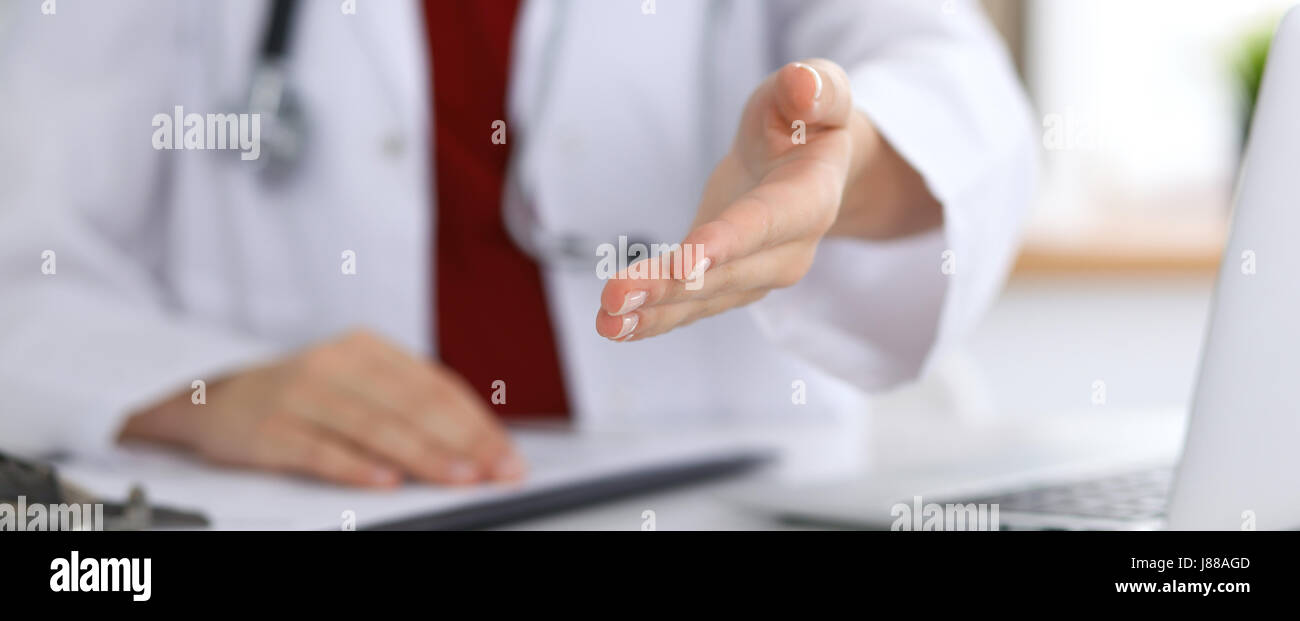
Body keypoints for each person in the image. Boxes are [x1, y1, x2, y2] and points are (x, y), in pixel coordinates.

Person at [0, 0, 1035, 487]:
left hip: (738, 493)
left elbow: (948, 86)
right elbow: (26, 262)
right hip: (335, 508)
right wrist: (202, 389)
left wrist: (842, 163)